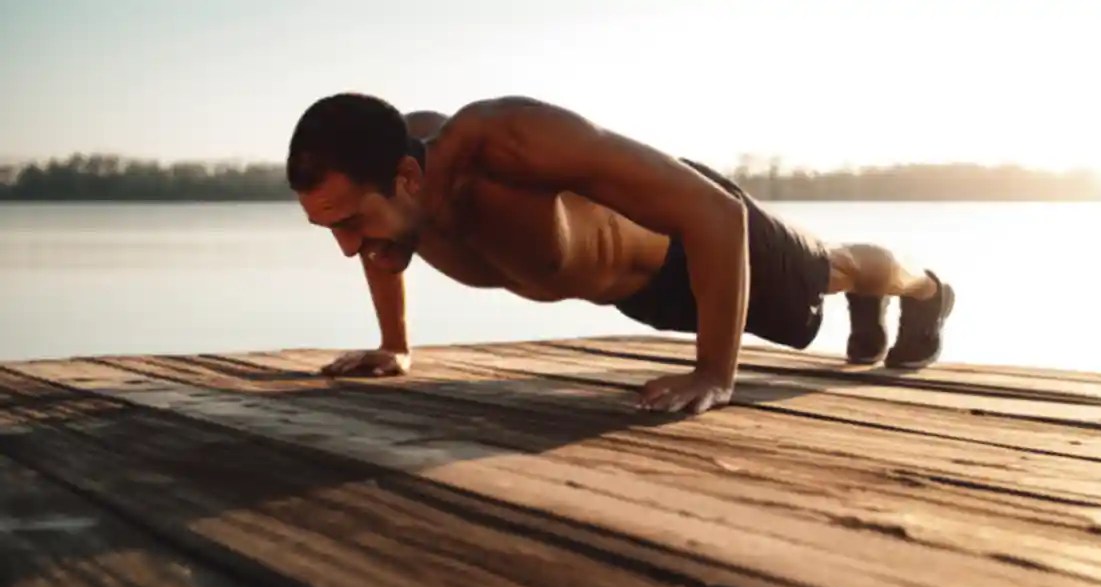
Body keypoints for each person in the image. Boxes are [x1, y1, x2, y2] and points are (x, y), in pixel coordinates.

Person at [286, 93, 955, 414]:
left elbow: (715, 214)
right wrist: (394, 344)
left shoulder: (507, 142)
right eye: (328, 228)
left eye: (348, 221)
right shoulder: (392, 203)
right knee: (828, 277)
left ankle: (923, 291)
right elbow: (380, 246)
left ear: (407, 178)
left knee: (832, 270)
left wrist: (715, 376)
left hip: (700, 245)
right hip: (636, 295)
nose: (348, 247)